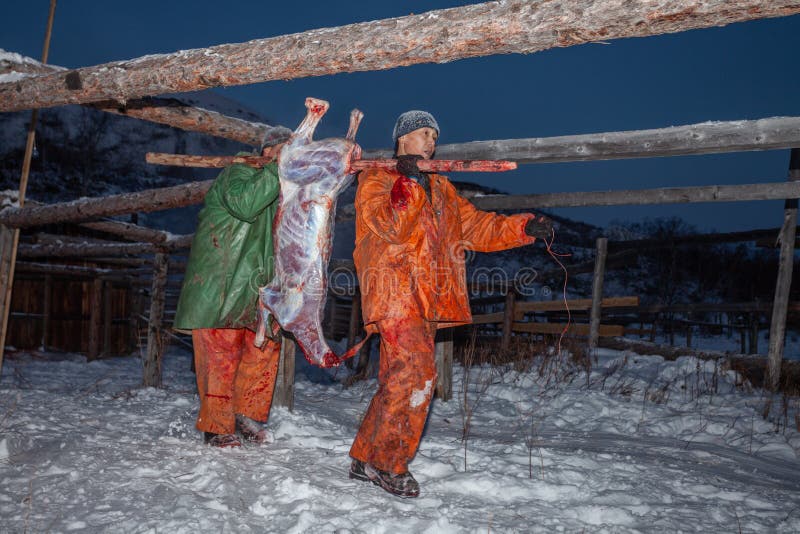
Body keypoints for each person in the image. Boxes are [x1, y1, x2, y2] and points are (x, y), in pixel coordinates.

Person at [348, 110, 553, 497]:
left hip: (428, 296)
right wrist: (408, 181)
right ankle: (388, 463)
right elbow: (391, 226)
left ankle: (365, 457)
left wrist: (523, 227)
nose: (430, 142)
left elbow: (477, 227)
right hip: (393, 289)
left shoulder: (441, 188)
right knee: (417, 375)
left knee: (400, 376)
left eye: (434, 136)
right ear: (401, 140)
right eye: (423, 134)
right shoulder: (375, 178)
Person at [173, 140, 285, 448]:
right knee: (221, 354)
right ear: (268, 151)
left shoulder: (279, 184)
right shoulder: (238, 171)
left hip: (255, 286)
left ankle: (243, 416)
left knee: (262, 350)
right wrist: (278, 166)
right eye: (285, 148)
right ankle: (218, 425)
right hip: (221, 283)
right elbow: (245, 205)